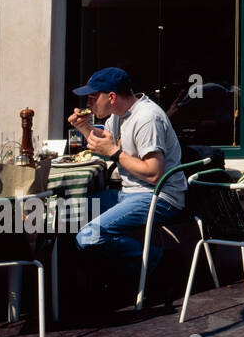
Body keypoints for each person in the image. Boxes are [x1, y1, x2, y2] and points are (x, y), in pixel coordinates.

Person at [69, 67, 186, 280]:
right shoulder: (117, 116)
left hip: (159, 196)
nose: (87, 104)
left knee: (88, 236)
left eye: (92, 98)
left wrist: (114, 153)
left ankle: (159, 262)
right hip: (128, 194)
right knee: (65, 214)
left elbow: (154, 174)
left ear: (111, 97)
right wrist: (84, 127)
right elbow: (105, 142)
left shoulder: (147, 118)